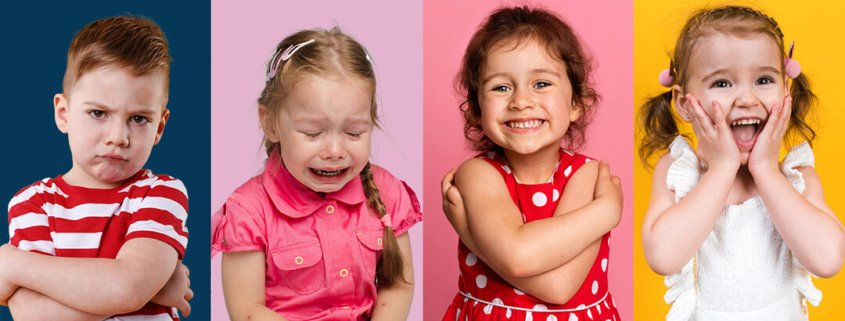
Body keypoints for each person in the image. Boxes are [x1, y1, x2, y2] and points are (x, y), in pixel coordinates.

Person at [639, 5, 845, 320]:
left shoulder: (796, 177)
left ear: (786, 90)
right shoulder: (680, 174)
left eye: (764, 79)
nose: (747, 99)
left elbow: (828, 260)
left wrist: (765, 171)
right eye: (722, 83)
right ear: (684, 102)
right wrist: (721, 169)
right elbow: (663, 257)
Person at [211, 27, 422, 321]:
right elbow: (248, 310)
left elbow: (398, 286)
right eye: (313, 133)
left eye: (353, 132)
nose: (335, 150)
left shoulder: (387, 191)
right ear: (271, 124)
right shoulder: (248, 211)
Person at [0, 16, 192, 320]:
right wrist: (146, 291)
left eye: (139, 118)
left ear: (160, 127)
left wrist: (13, 266)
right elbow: (34, 315)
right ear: (63, 114)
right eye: (99, 113)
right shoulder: (32, 204)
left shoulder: (161, 194)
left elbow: (128, 287)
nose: (118, 137)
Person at [440, 6, 623, 320]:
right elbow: (519, 258)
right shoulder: (478, 174)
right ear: (475, 110)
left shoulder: (588, 175)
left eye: (541, 84)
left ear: (577, 102)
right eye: (501, 87)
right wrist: (607, 211)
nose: (521, 101)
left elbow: (561, 288)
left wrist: (470, 234)